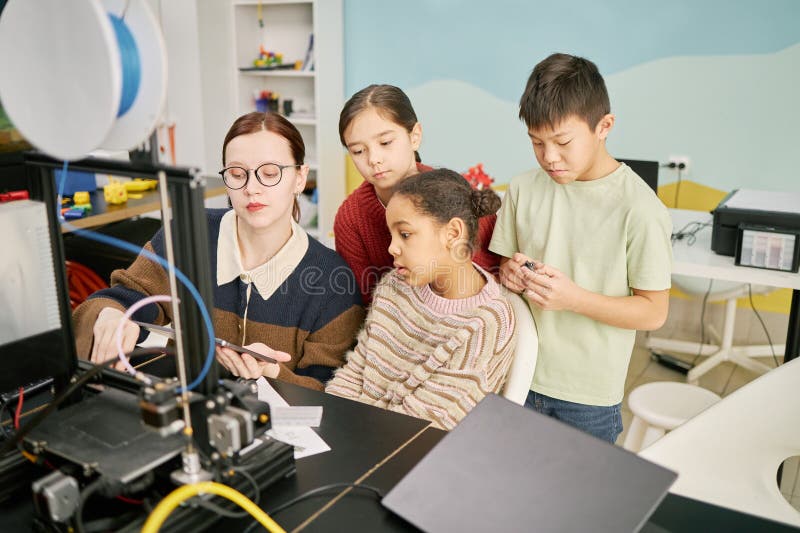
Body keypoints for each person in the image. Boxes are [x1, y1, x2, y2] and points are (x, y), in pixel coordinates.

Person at [73, 112, 365, 390]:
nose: (252, 188)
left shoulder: (333, 282)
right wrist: (112, 314)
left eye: (269, 173)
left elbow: (331, 394)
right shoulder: (187, 233)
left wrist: (272, 372)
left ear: (300, 177)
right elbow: (126, 298)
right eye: (237, 174)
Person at [489, 53, 672, 443]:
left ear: (604, 126)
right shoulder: (522, 188)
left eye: (562, 141)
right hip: (514, 372)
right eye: (536, 143)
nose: (549, 157)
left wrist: (574, 299)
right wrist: (510, 272)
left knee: (575, 502)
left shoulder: (639, 209)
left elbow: (654, 312)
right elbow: (503, 264)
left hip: (585, 398)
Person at [326, 169, 516, 430]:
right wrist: (330, 423)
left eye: (404, 234)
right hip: (357, 434)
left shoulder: (487, 323)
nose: (392, 248)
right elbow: (356, 371)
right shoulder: (394, 286)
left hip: (418, 453)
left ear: (452, 233)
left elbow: (423, 427)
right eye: (392, 235)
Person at [334, 84, 499, 305]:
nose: (373, 159)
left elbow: (494, 274)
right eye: (358, 151)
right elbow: (362, 306)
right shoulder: (350, 220)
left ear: (415, 136)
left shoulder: (453, 193)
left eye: (385, 142)